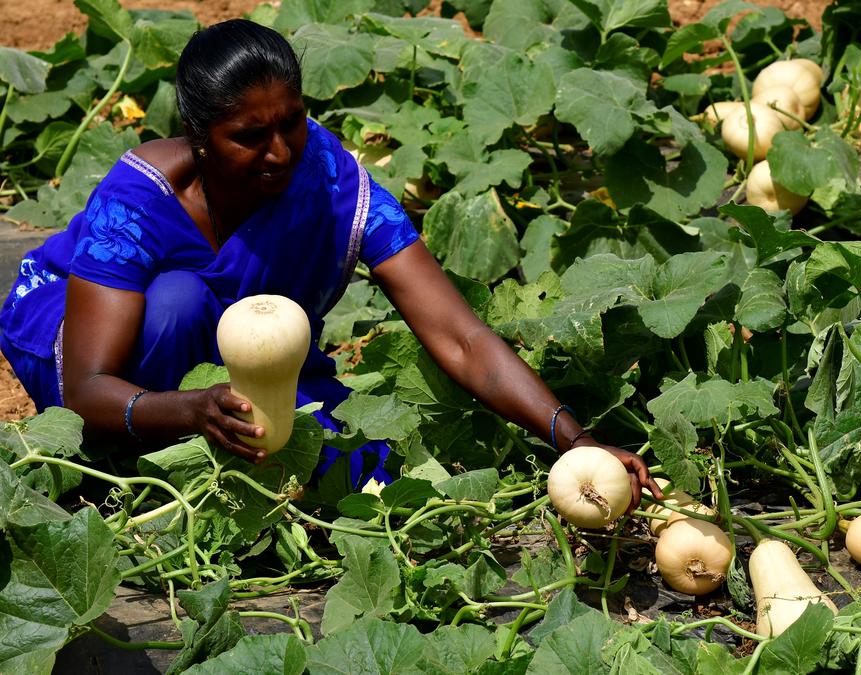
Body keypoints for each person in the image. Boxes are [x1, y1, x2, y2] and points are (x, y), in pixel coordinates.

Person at [0, 19, 662, 508]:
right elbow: (88, 387)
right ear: (200, 140)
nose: (281, 151)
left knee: (372, 481)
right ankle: (141, 474)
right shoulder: (138, 202)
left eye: (292, 122)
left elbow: (459, 336)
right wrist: (188, 409)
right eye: (250, 136)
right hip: (88, 350)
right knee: (178, 301)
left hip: (241, 369)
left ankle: (238, 451)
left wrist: (571, 436)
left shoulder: (328, 179)